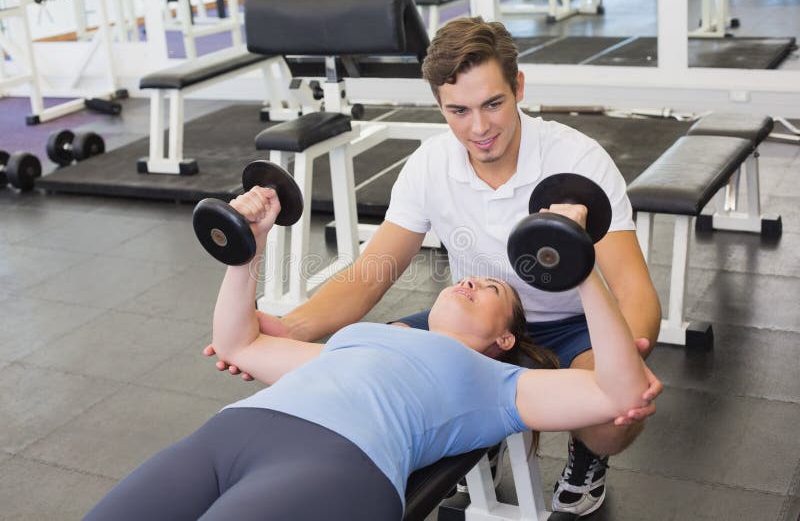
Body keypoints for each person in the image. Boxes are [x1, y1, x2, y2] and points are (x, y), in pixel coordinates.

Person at [206, 17, 663, 516]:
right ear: (439, 105)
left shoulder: (578, 159)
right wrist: (286, 330)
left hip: (574, 325)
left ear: (519, 87)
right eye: (458, 111)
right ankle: (476, 435)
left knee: (617, 414)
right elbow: (370, 273)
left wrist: (632, 356)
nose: (480, 127)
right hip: (479, 319)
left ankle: (588, 455)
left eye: (493, 103)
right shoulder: (430, 164)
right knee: (368, 366)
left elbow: (634, 291)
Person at [87, 186, 651, 521]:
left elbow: (616, 392)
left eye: (492, 290)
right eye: (471, 279)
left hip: (334, 465)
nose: (471, 283)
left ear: (504, 340)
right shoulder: (363, 338)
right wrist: (248, 250)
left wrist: (580, 268)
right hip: (226, 436)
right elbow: (240, 344)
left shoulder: (496, 383)